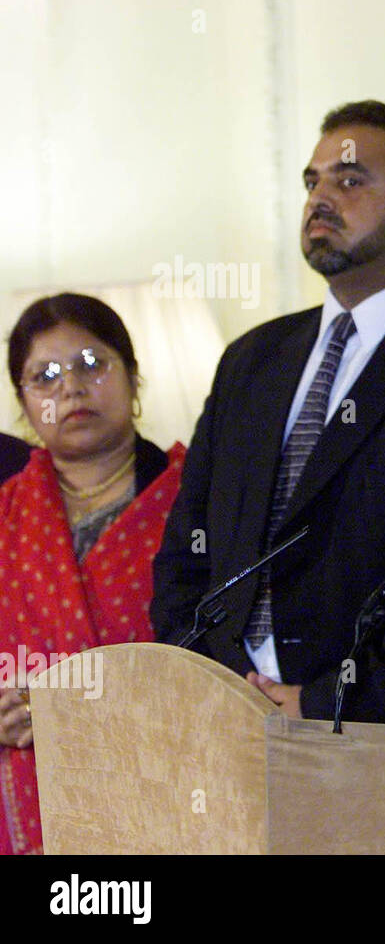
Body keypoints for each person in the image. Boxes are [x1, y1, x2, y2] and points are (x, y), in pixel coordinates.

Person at [151, 101, 385, 726]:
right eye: (313, 182)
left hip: (380, 729)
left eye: (349, 179)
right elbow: (187, 548)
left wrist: (332, 698)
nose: (320, 198)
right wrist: (206, 678)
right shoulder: (253, 359)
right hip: (225, 714)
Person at [0, 293, 185, 855]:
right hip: (20, 805)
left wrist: (77, 707)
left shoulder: (197, 502)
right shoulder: (5, 512)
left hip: (167, 792)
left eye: (91, 364)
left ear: (133, 377)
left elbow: (225, 658)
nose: (70, 388)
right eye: (46, 376)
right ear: (25, 403)